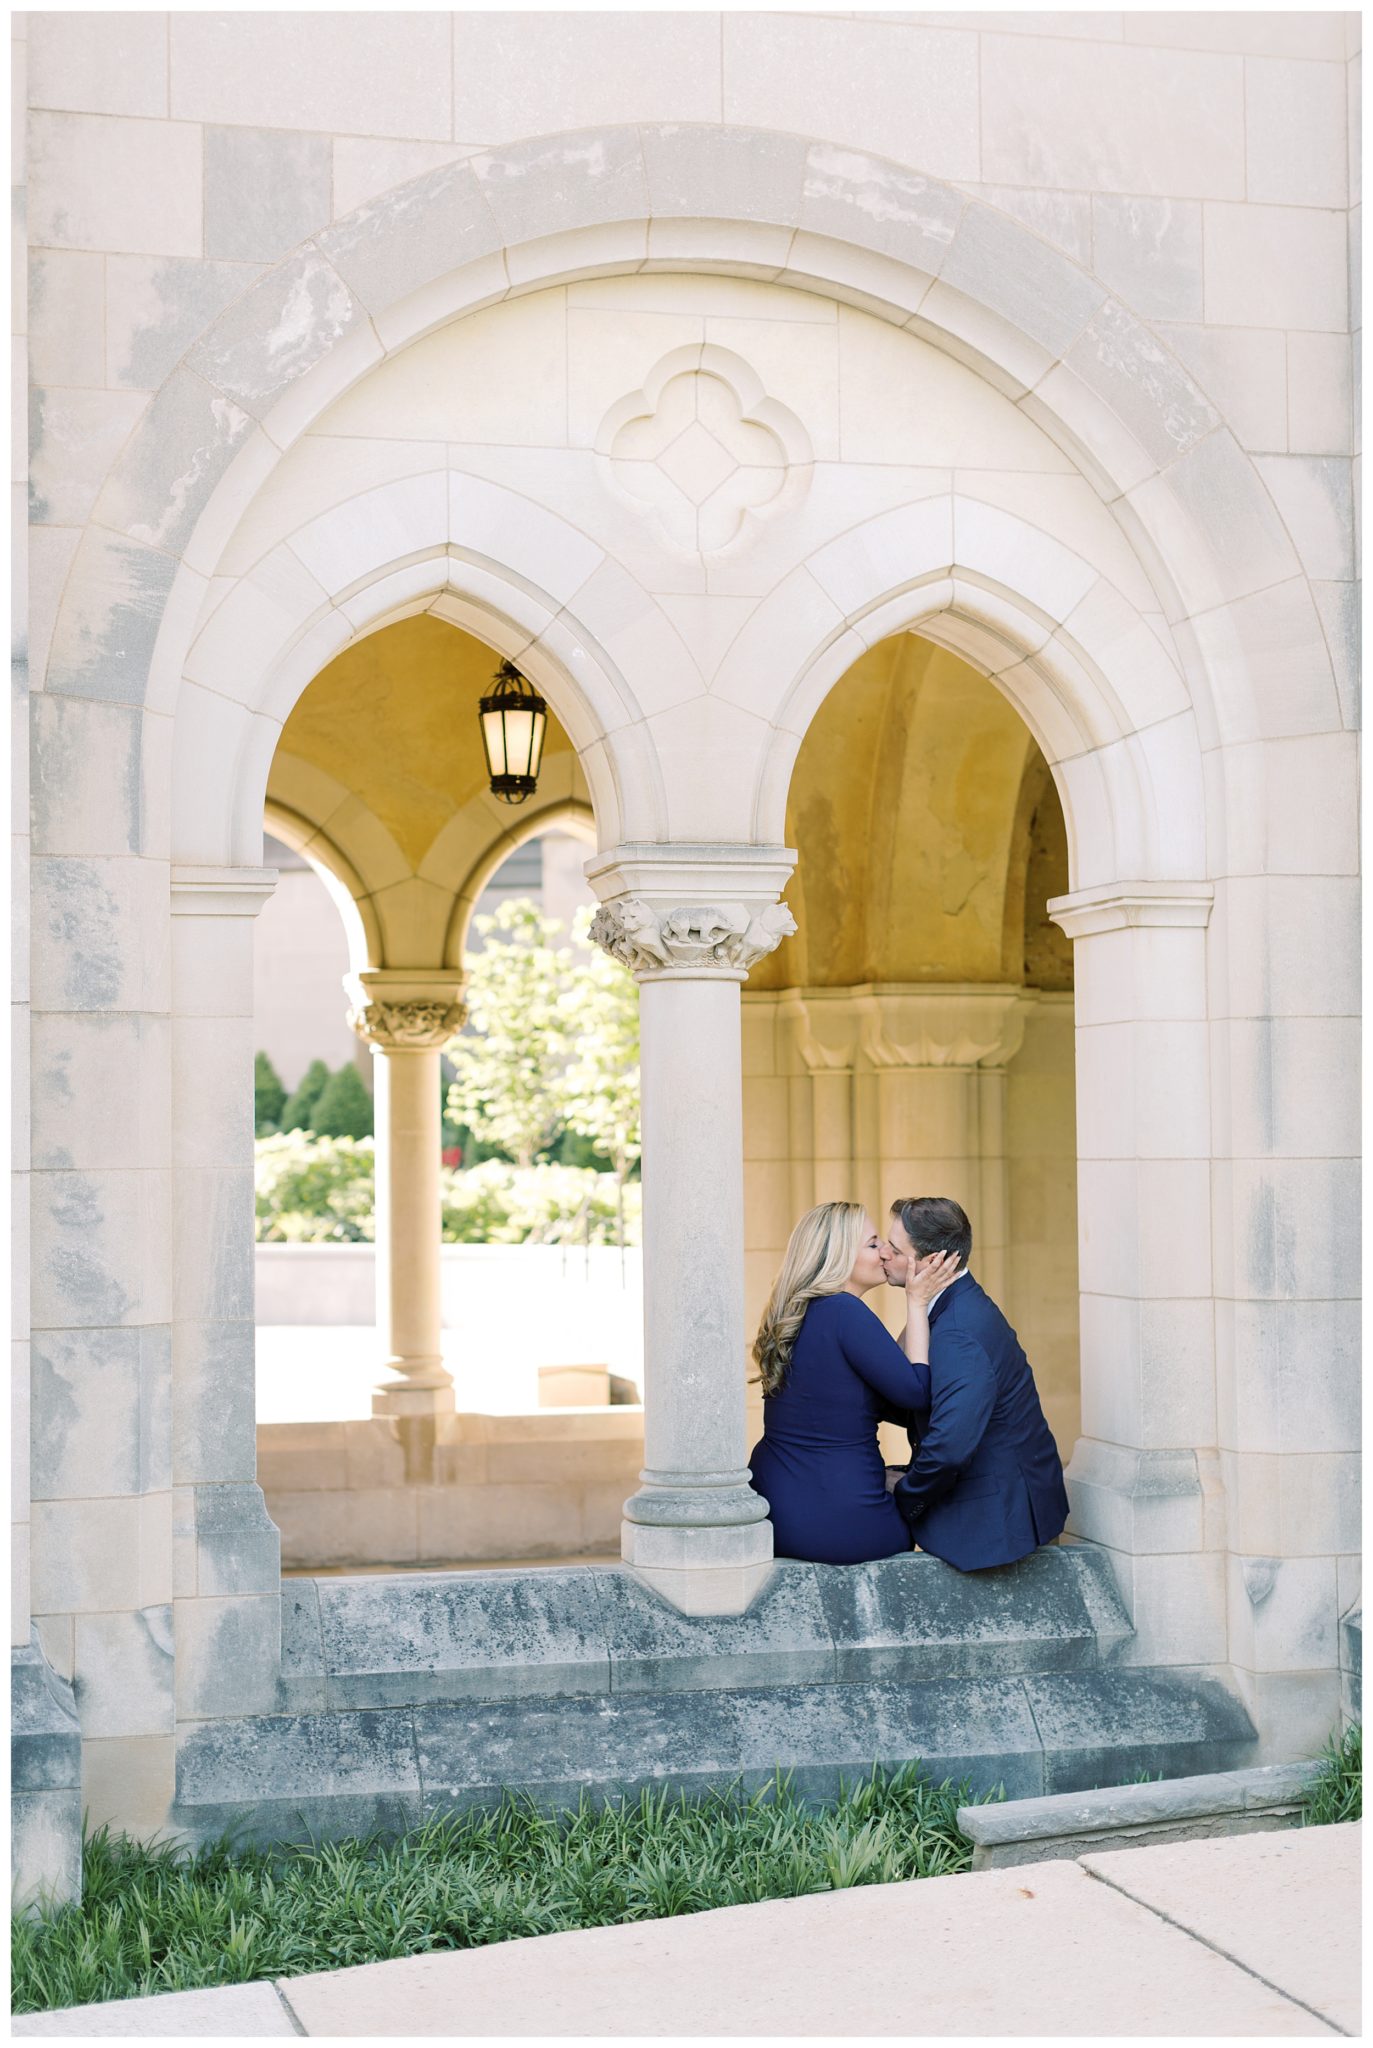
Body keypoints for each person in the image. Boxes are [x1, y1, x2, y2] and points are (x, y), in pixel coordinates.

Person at [747, 1201, 957, 1565]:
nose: (886, 1253)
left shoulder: (804, 1312)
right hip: (844, 1526)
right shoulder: (845, 1311)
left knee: (897, 1477)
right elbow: (915, 1393)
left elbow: (880, 1382)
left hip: (779, 1514)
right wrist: (918, 1302)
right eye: (874, 1244)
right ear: (840, 1257)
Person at [883, 1196, 1069, 1570]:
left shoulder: (957, 1334)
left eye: (894, 1248)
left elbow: (949, 1447)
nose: (884, 1254)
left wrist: (905, 1492)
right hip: (997, 1489)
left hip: (996, 1521)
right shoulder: (951, 1304)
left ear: (932, 1261)